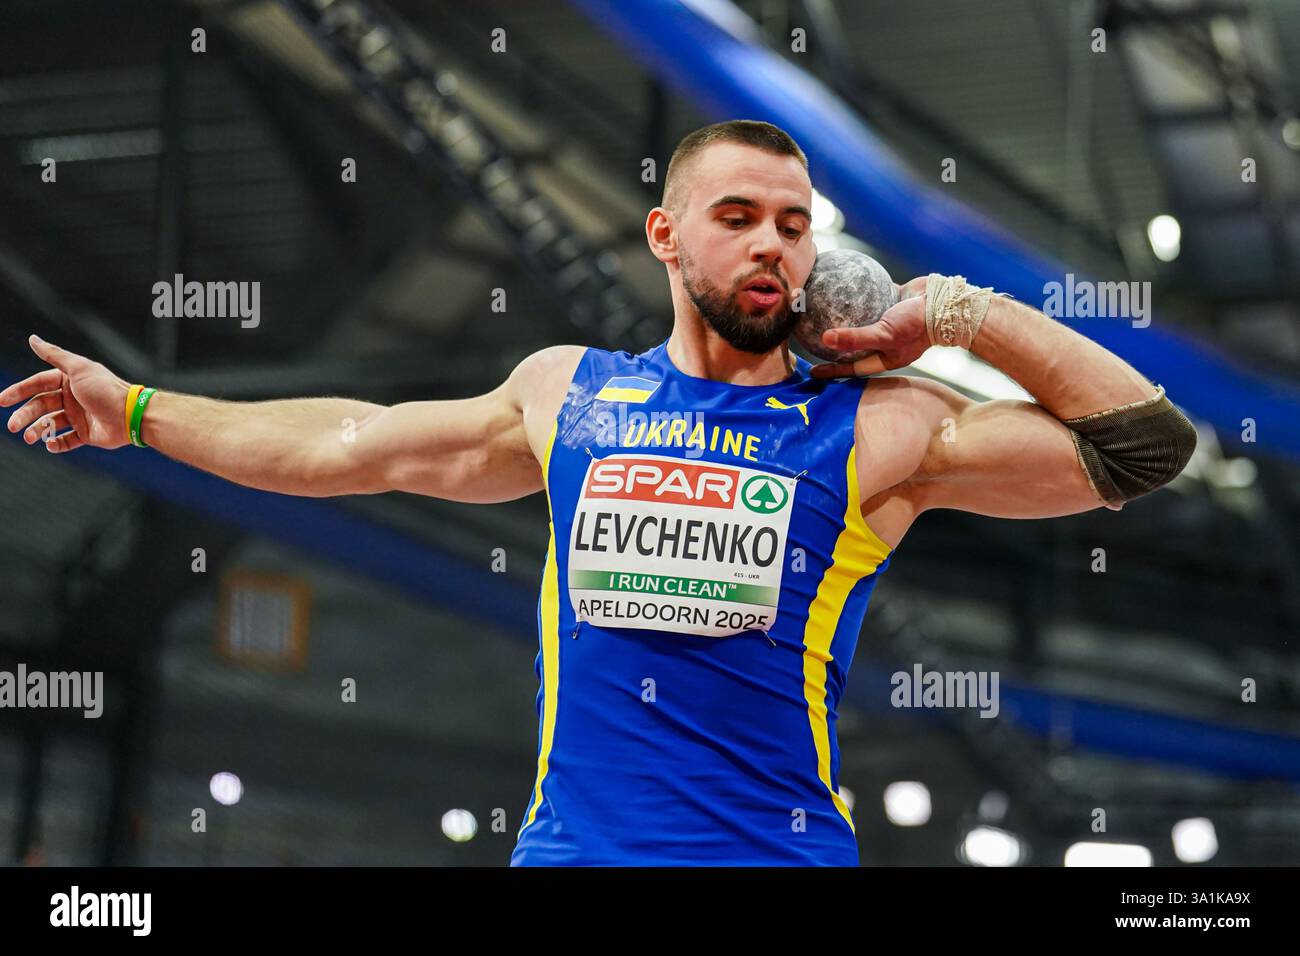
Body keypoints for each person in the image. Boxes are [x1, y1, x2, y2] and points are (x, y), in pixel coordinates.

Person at [1, 120, 1196, 866]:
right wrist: (141, 411)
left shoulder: (876, 427)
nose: (771, 246)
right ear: (666, 237)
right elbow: (345, 443)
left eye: (791, 224)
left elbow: (1139, 445)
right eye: (736, 219)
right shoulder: (566, 395)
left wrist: (951, 312)